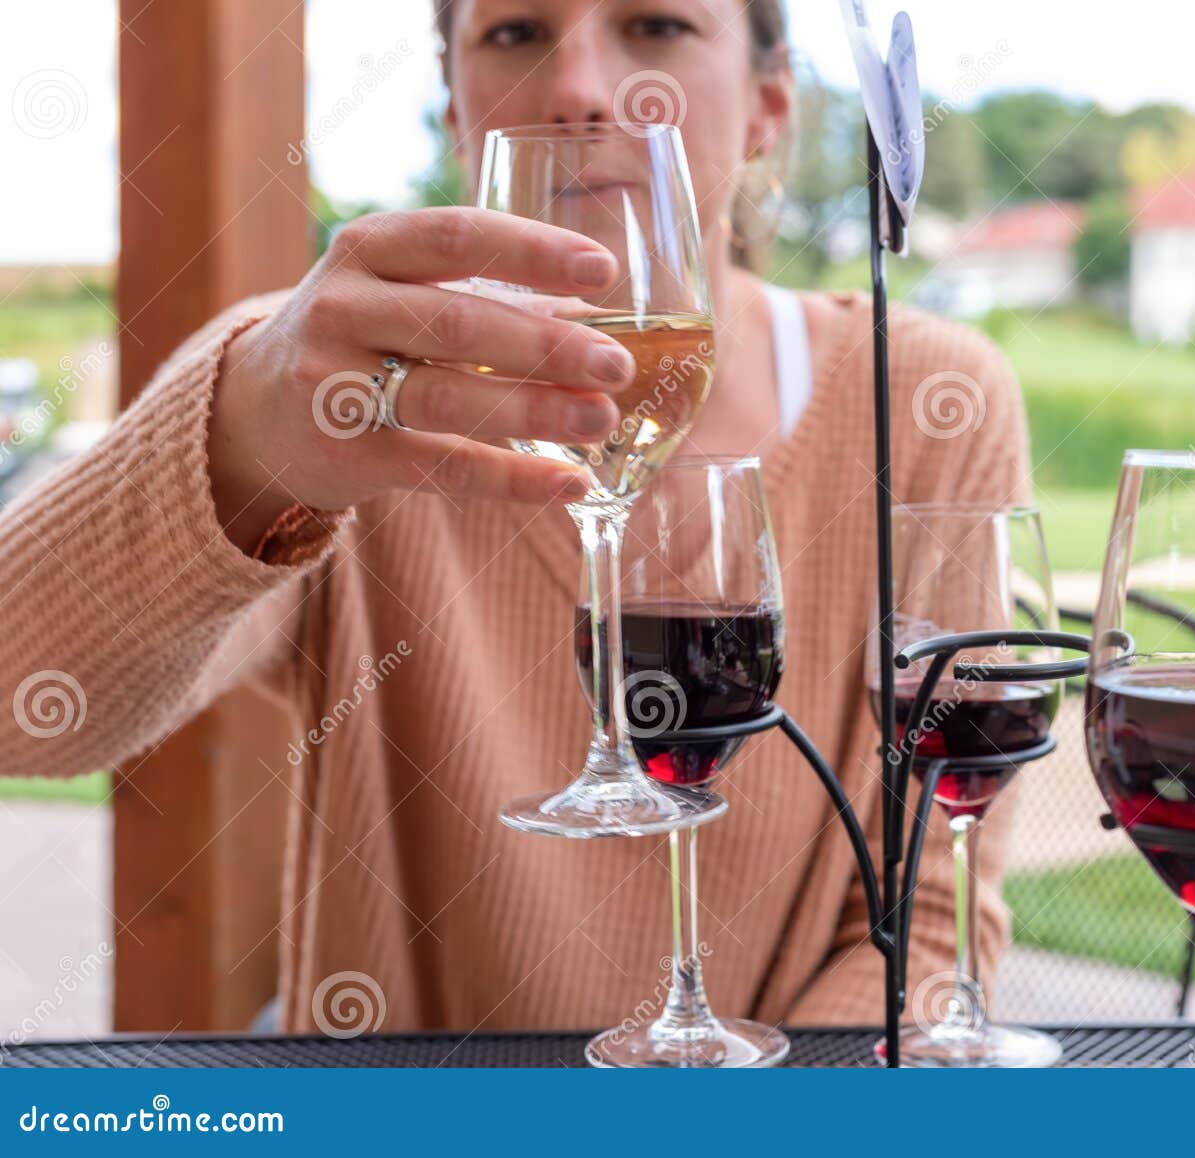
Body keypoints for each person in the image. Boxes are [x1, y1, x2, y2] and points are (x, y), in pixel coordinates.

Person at [0, 0, 1030, 1034]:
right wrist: (238, 448)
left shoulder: (924, 398)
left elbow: (929, 920)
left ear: (769, 104)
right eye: (515, 32)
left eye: (657, 25)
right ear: (456, 112)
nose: (580, 89)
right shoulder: (318, 389)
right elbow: (23, 711)